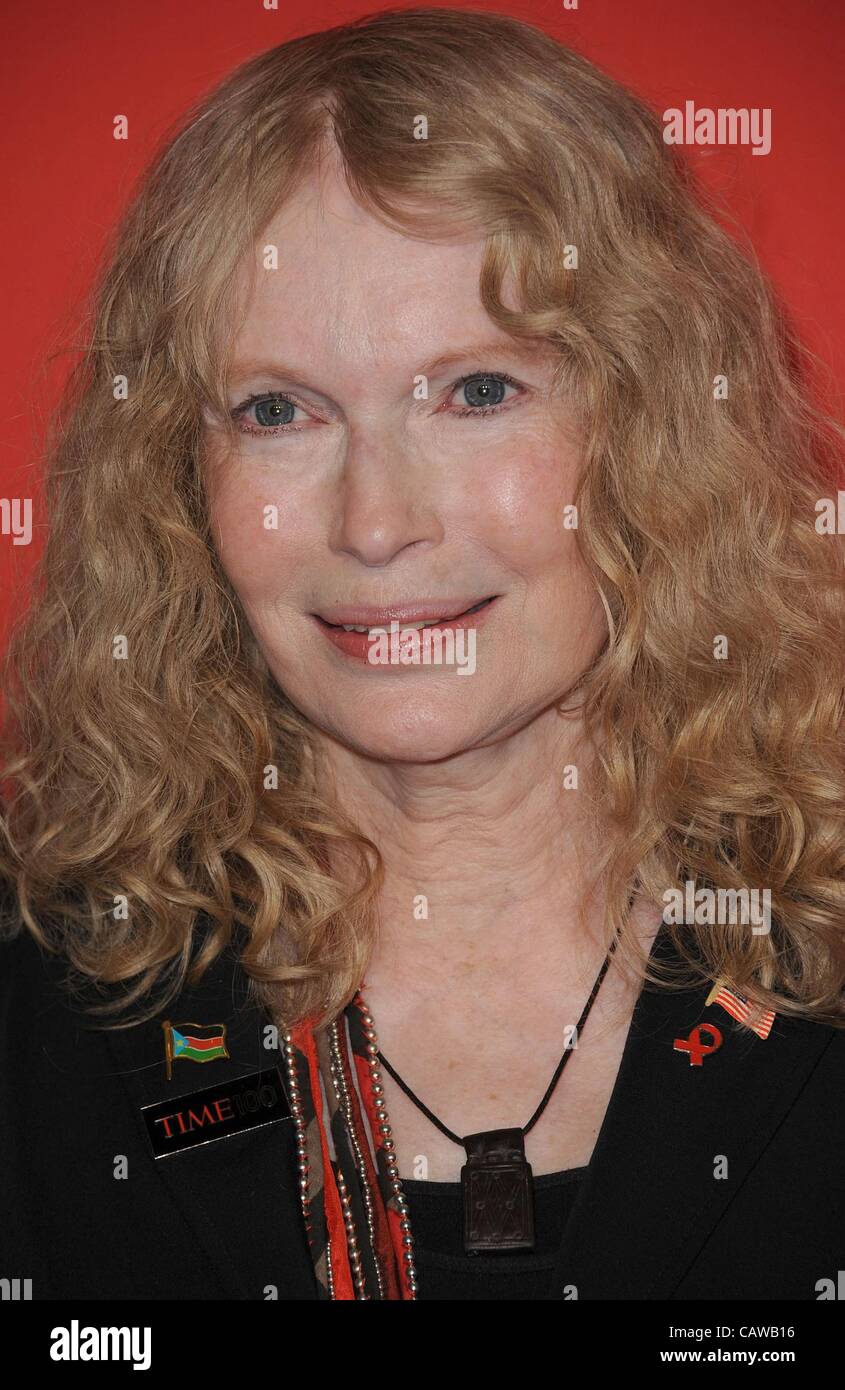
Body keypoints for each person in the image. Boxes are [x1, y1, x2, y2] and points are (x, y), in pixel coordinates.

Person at [1, 6, 843, 1302]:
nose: (376, 521)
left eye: (476, 392)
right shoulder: (41, 999)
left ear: (649, 425)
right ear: (182, 476)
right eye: (278, 410)